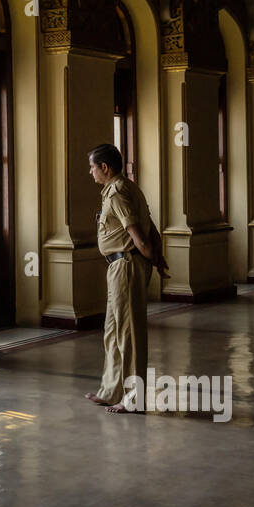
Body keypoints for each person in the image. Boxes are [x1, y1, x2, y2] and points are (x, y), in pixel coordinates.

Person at [83, 143, 168, 414]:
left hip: (126, 265)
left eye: (93, 167)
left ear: (105, 168)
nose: (91, 172)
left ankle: (133, 399)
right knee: (112, 332)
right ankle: (111, 390)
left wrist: (152, 260)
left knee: (128, 333)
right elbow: (151, 227)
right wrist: (157, 257)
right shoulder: (129, 188)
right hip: (119, 267)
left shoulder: (118, 193)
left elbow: (138, 234)